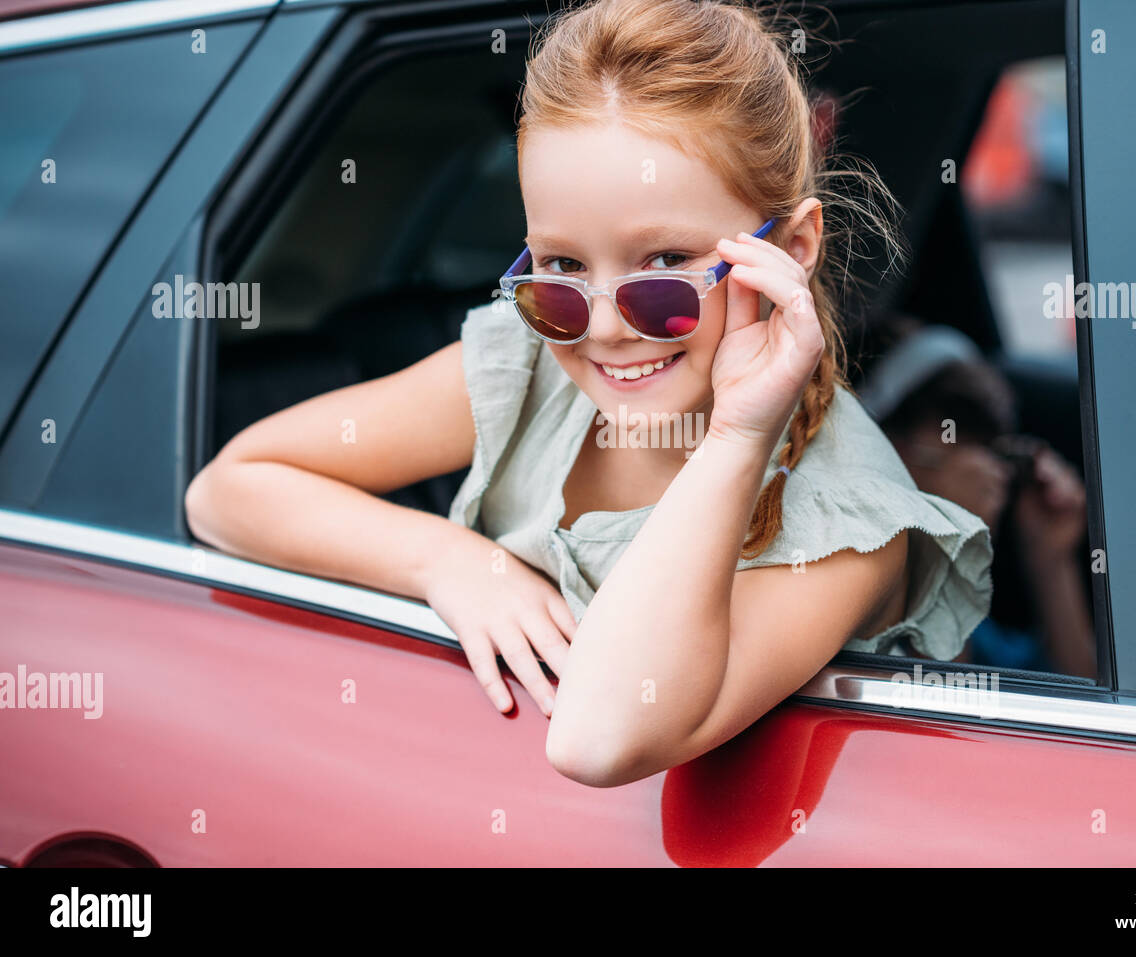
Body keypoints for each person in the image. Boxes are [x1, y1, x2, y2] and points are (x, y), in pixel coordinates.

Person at [184, 0, 994, 788]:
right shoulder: (532, 362)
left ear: (789, 247)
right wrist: (452, 561)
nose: (603, 327)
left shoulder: (849, 523)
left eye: (664, 264)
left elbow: (601, 739)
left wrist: (739, 438)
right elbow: (226, 490)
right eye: (562, 268)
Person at [859, 315, 1095, 679]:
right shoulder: (850, 590)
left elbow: (1079, 686)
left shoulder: (980, 628)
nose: (983, 475)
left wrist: (1050, 558)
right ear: (880, 445)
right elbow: (938, 700)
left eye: (986, 449)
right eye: (950, 437)